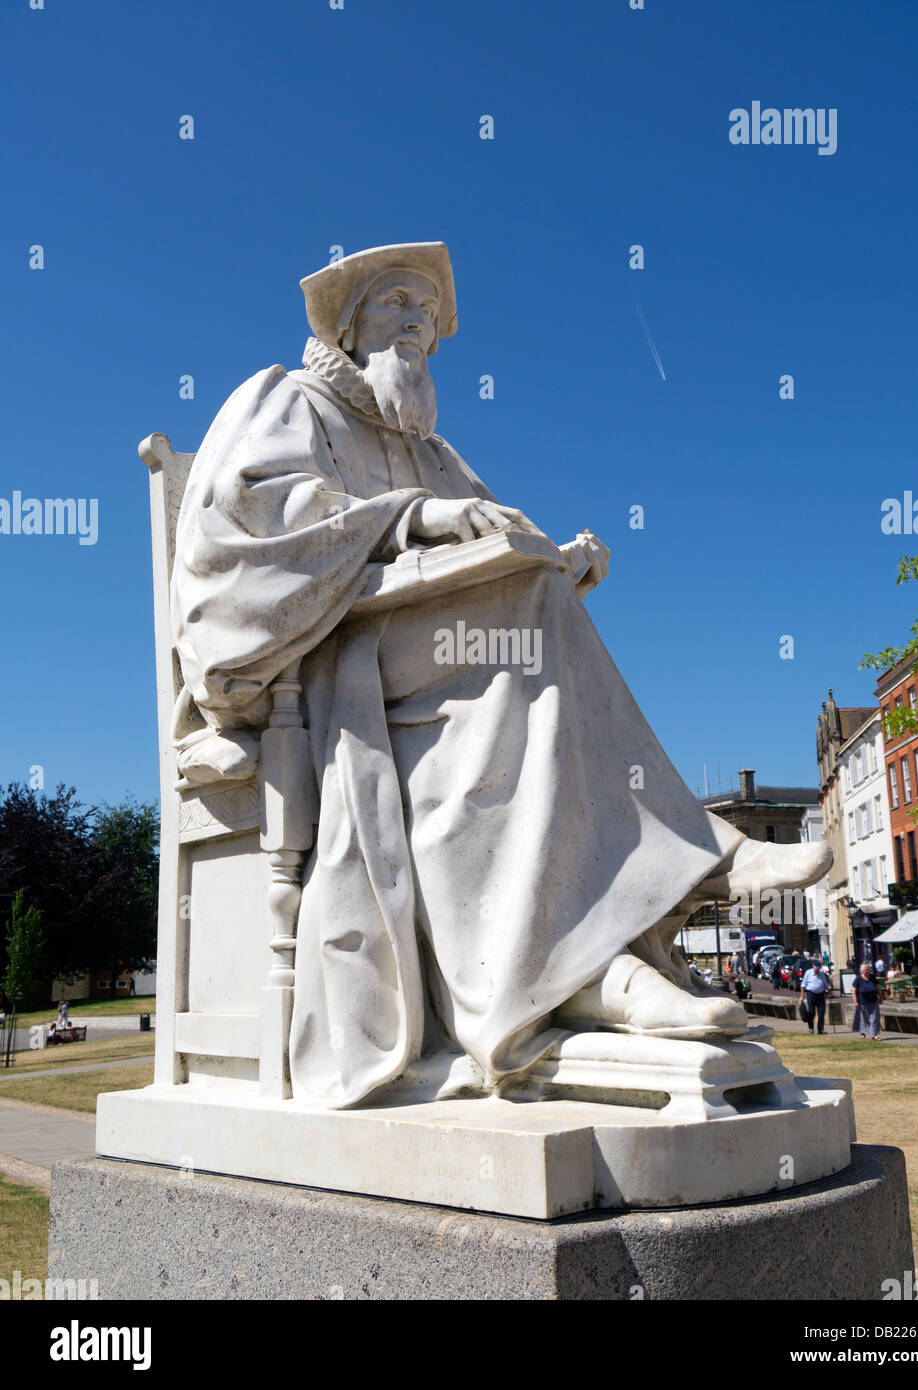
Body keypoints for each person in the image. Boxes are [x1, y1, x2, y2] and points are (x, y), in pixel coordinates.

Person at [171, 241, 832, 1108]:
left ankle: (603, 963)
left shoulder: (432, 445)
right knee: (522, 621)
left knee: (538, 604)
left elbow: (489, 543)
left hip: (425, 653)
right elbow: (250, 517)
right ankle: (600, 949)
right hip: (332, 653)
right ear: (347, 321)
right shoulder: (287, 400)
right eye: (397, 302)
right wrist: (415, 517)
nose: (417, 322)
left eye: (428, 316)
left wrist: (555, 559)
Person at [800, 960, 830, 1034]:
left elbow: (825, 984)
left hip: (821, 995)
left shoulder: (822, 974)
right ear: (813, 967)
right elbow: (803, 985)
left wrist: (828, 988)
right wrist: (802, 996)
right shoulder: (808, 973)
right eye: (816, 969)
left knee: (821, 1013)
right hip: (811, 994)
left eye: (819, 969)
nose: (817, 970)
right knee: (811, 1012)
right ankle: (811, 1028)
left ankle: (821, 1029)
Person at [852, 963, 881, 1040]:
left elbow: (878, 988)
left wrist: (880, 997)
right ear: (862, 971)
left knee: (874, 1018)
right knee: (864, 1018)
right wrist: (855, 1002)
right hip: (862, 1002)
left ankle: (874, 1034)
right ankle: (863, 1033)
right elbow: (854, 990)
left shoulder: (872, 977)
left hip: (874, 1001)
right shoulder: (858, 979)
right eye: (866, 969)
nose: (868, 971)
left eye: (869, 969)